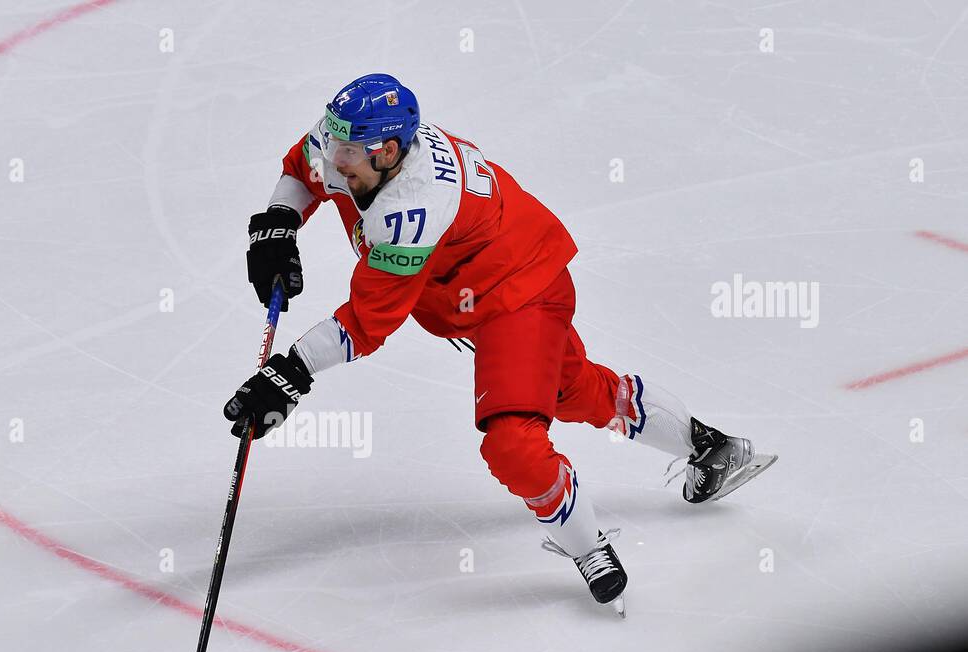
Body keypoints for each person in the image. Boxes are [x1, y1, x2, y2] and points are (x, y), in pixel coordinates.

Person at [224, 73, 774, 613]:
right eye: (333, 138)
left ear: (390, 152)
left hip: (517, 293)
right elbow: (303, 169)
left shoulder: (412, 211)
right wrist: (277, 223)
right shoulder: (355, 146)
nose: (333, 159)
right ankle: (713, 449)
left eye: (348, 151)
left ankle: (590, 548)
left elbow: (367, 324)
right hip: (470, 289)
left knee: (512, 442)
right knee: (572, 390)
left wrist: (289, 374)